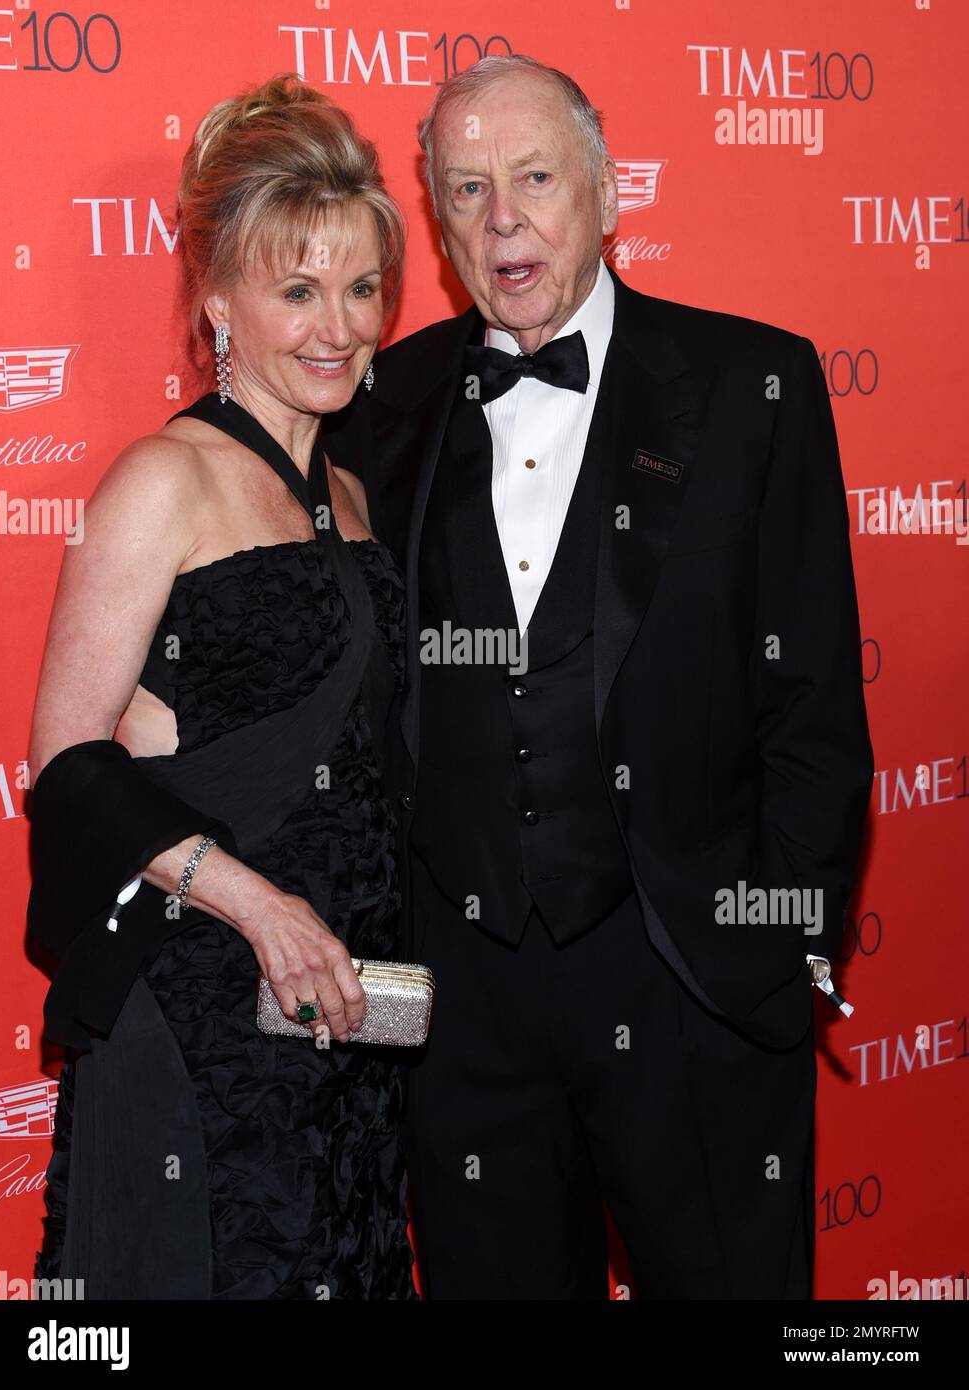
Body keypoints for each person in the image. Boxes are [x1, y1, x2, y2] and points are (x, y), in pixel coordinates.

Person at [322, 54, 875, 1299]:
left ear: (608, 191)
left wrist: (781, 932)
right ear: (436, 217)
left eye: (532, 178)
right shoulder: (385, 398)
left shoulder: (753, 385)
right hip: (464, 1013)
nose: (500, 217)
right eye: (464, 189)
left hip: (689, 977)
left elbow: (814, 699)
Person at [25, 73, 416, 1300]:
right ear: (218, 304)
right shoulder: (161, 480)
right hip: (202, 1003)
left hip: (338, 1021)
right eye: (297, 290)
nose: (337, 326)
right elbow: (71, 767)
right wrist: (264, 909)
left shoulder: (346, 497)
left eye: (361, 289)